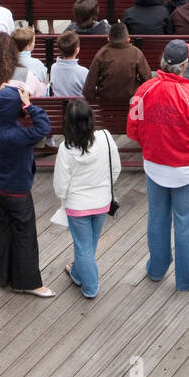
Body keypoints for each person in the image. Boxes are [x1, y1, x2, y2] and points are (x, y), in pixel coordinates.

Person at [128, 39, 189, 290]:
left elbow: (133, 130)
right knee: (187, 222)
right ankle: (187, 277)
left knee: (157, 218)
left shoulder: (143, 91)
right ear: (184, 66)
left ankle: (157, 269)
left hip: (154, 166)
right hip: (188, 170)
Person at [0, 84, 55, 296]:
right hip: (16, 191)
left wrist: (6, 95)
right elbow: (43, 128)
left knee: (4, 227)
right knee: (25, 235)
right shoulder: (15, 134)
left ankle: (4, 275)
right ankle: (28, 282)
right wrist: (29, 105)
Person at [54, 99, 121, 299]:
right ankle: (76, 272)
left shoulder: (66, 148)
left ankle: (90, 287)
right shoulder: (106, 138)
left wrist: (63, 198)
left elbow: (60, 184)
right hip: (102, 201)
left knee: (83, 246)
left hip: (77, 204)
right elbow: (115, 168)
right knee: (89, 243)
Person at [84, 22, 151, 103]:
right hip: (130, 101)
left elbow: (88, 88)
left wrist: (94, 99)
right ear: (128, 39)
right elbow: (147, 79)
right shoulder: (136, 53)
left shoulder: (101, 54)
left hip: (106, 102)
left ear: (108, 39)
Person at [49, 30, 88, 97]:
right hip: (78, 106)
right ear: (77, 50)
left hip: (58, 106)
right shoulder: (84, 72)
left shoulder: (53, 67)